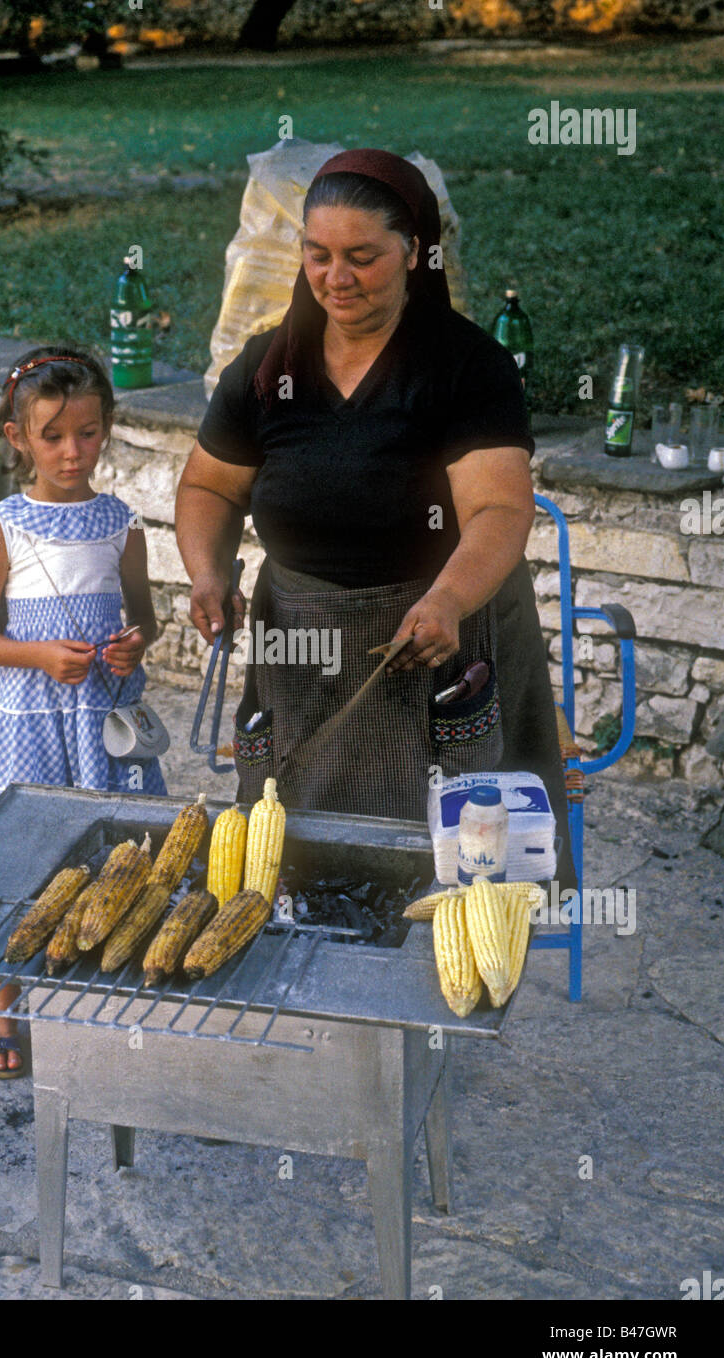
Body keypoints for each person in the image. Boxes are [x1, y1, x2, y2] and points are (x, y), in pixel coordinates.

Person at [176, 148, 576, 887]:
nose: (336, 277)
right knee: (296, 858)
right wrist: (204, 573)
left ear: (414, 251)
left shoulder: (466, 367)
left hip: (437, 642)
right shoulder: (269, 368)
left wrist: (448, 599)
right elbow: (209, 488)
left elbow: (497, 507)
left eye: (362, 256)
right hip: (301, 642)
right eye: (318, 254)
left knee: (453, 873)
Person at [0, 345, 166, 1077]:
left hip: (104, 718)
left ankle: (112, 984)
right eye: (52, 436)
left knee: (119, 851)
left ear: (106, 428)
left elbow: (146, 622)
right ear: (19, 439)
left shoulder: (121, 526)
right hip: (34, 721)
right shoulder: (5, 527)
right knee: (26, 853)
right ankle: (1, 994)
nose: (72, 452)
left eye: (87, 433)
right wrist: (39, 656)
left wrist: (134, 646)